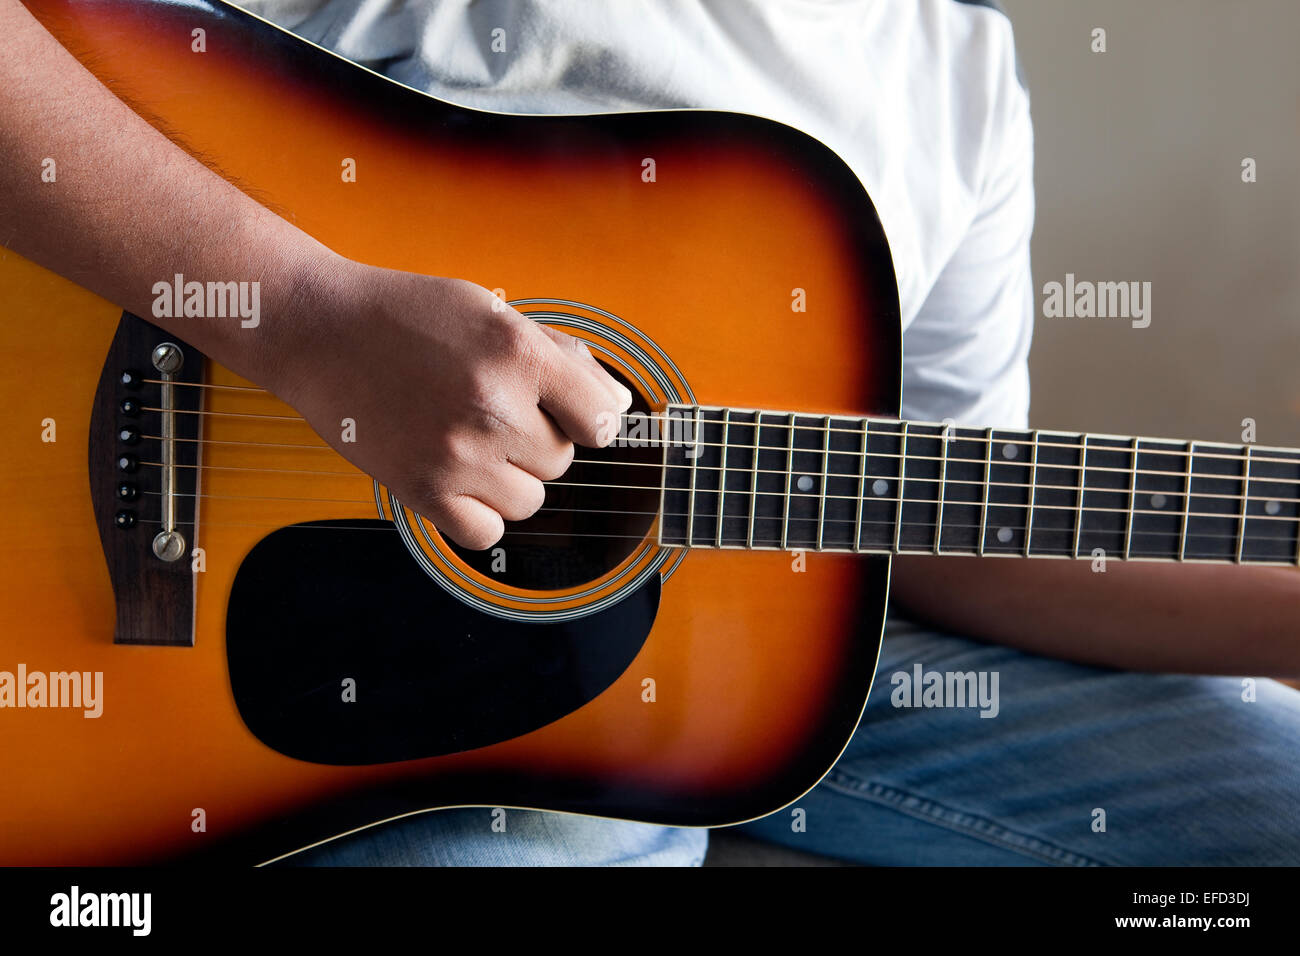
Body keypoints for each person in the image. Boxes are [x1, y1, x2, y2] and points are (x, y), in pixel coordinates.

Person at [2, 0, 1297, 867]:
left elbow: (937, 527)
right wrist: (307, 321)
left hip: (790, 663)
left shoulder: (957, 71)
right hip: (287, 637)